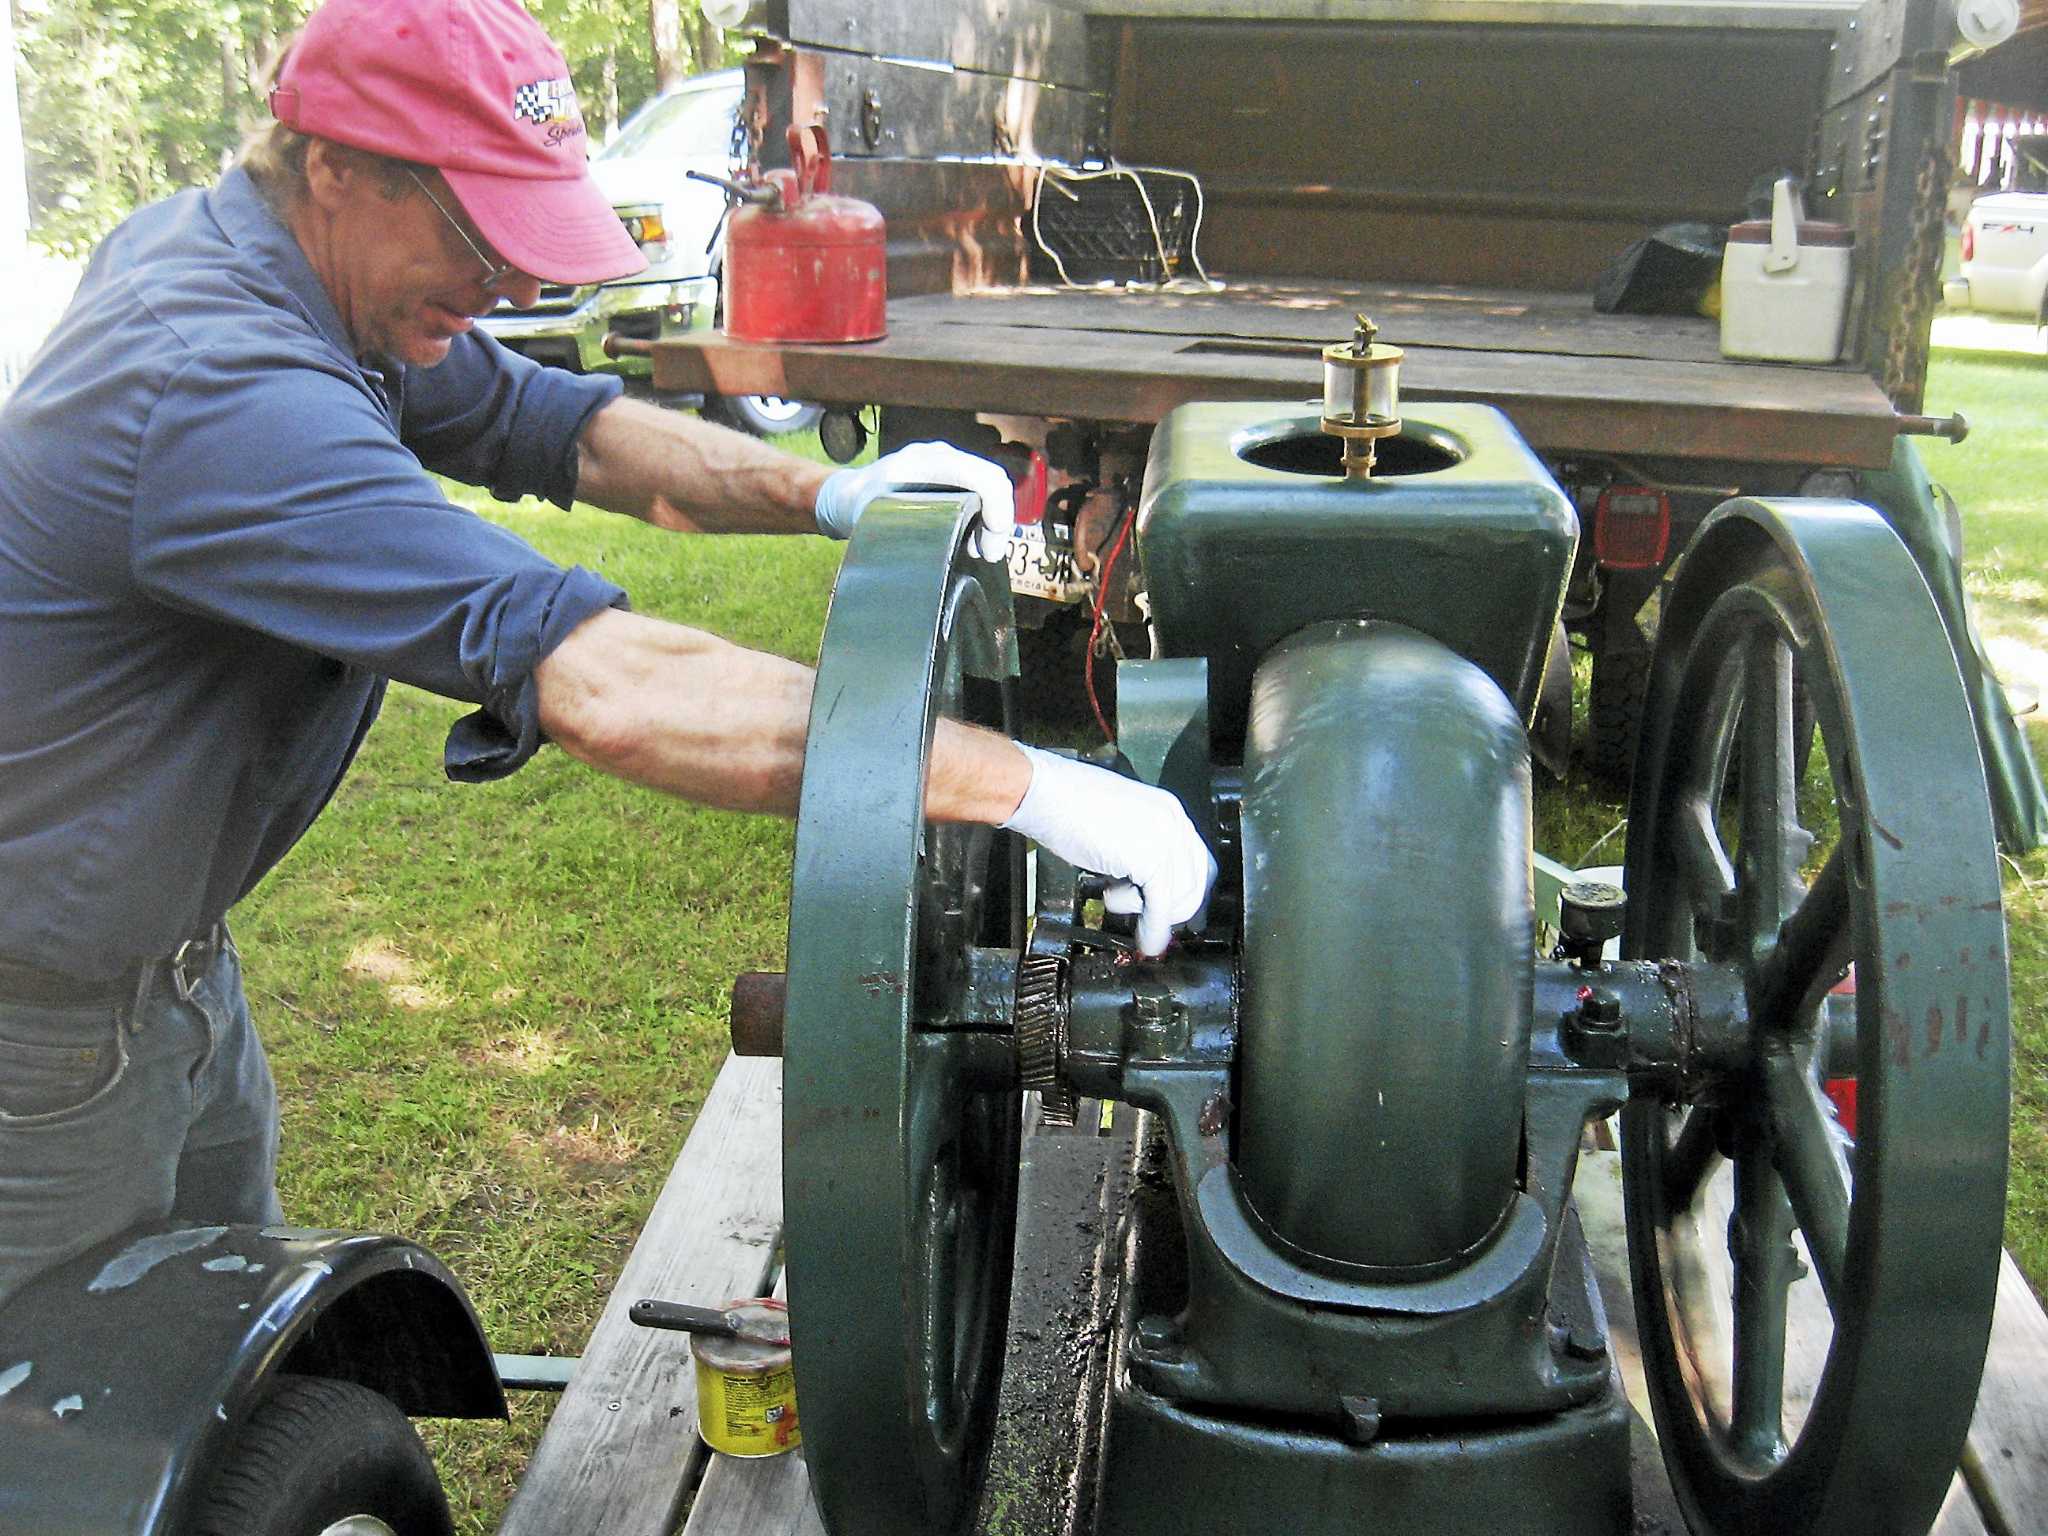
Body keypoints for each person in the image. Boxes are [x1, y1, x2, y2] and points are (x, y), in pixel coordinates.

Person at [0, 0, 1214, 1307]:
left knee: (198, 1349)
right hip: (35, 1033)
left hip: (167, 972)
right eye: (482, 234)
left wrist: (827, 494)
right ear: (334, 167)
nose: (517, 286)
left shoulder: (295, 273)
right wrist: (1042, 789)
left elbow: (566, 431)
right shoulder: (214, 384)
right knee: (57, 1426)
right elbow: (607, 686)